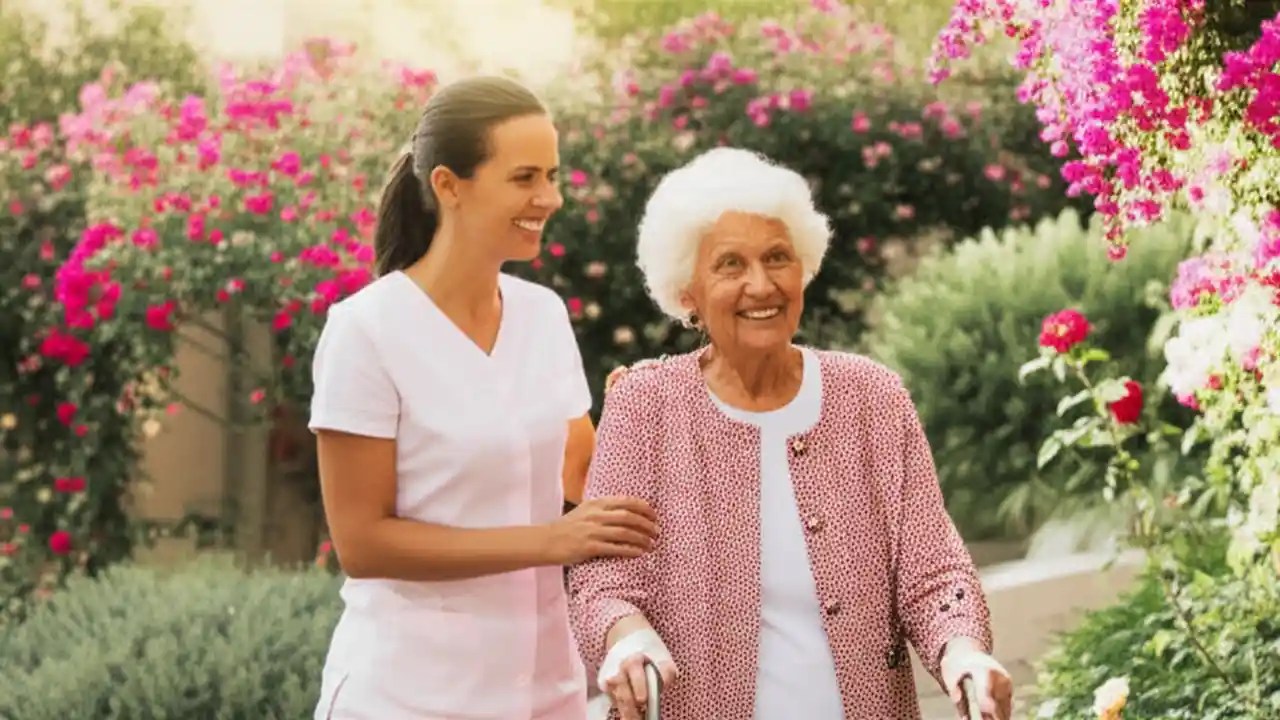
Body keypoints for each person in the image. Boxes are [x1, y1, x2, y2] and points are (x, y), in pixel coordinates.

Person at [568, 147, 1014, 720]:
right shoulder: (645, 404)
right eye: (730, 265)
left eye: (777, 257)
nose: (761, 285)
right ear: (687, 292)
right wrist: (626, 637)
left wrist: (964, 654)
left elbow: (933, 571)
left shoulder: (871, 396)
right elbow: (604, 576)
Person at [307, 75, 658, 720]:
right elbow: (363, 543)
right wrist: (549, 542)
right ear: (449, 186)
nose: (549, 198)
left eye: (552, 176)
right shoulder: (366, 331)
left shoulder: (542, 315)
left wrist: (651, 411)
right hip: (410, 697)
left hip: (545, 693)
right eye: (524, 178)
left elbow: (579, 472)